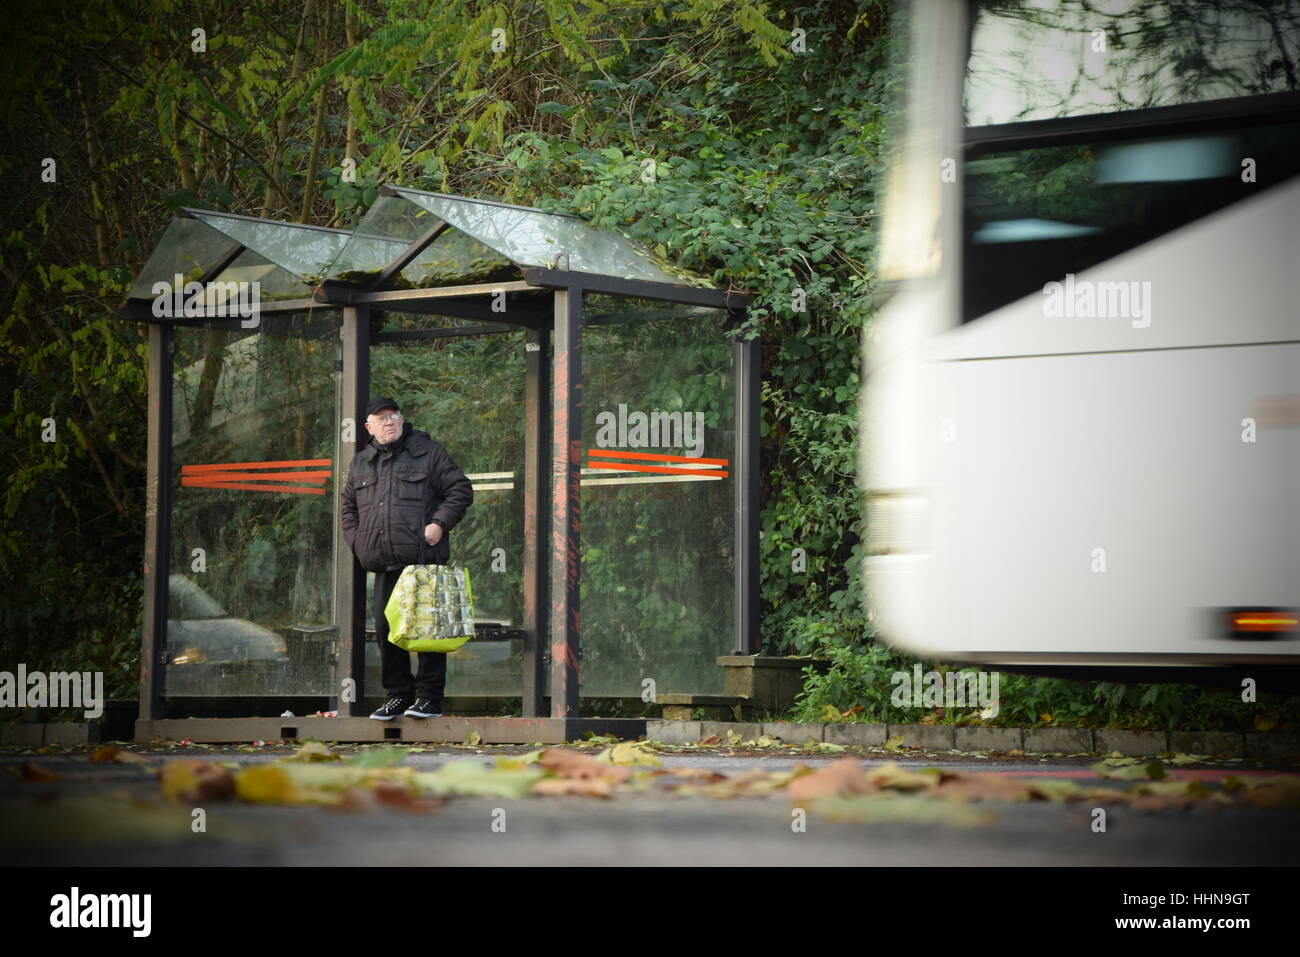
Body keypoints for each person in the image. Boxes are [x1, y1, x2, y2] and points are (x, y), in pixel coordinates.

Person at [340, 397, 474, 720]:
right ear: (368, 427)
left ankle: (429, 698)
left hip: (422, 560)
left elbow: (460, 489)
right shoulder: (361, 462)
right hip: (383, 561)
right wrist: (359, 543)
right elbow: (348, 509)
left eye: (393, 416)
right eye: (380, 418)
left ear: (402, 420)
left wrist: (439, 524)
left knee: (428, 630)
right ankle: (399, 695)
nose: (388, 422)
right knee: (388, 631)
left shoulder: (429, 452)